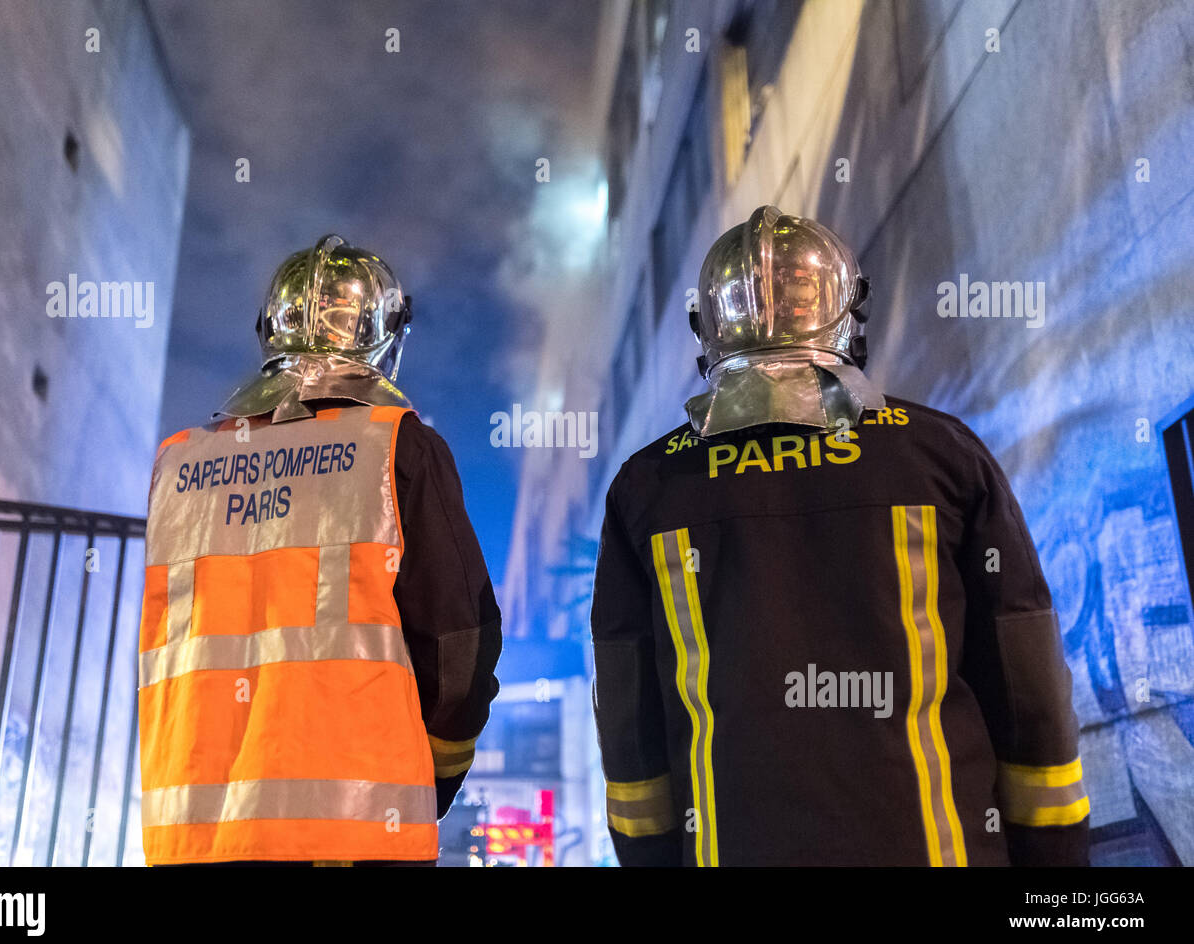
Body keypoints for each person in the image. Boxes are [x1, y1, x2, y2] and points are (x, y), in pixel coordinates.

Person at [590, 205, 1089, 866]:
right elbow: (1025, 682)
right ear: (852, 313)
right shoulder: (940, 454)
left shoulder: (649, 486)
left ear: (704, 331)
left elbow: (630, 727)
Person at [138, 234, 500, 866]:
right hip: (351, 833)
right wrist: (433, 776)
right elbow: (457, 647)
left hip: (190, 840)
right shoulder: (397, 449)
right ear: (386, 337)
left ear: (267, 334)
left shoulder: (177, 465)